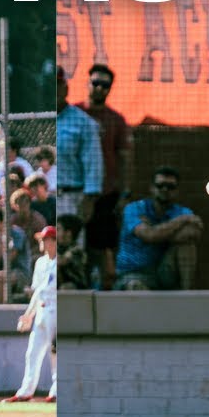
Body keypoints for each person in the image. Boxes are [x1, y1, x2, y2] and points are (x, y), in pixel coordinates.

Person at [79, 64, 133, 289]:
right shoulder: (74, 115)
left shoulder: (115, 120)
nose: (100, 88)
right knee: (78, 252)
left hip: (105, 197)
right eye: (96, 83)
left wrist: (124, 194)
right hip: (77, 195)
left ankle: (104, 303)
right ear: (87, 83)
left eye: (105, 85)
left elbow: (125, 161)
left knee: (104, 254)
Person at [115, 167, 203, 291]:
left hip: (162, 271)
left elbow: (193, 233)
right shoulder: (133, 209)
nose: (165, 189)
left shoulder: (182, 211)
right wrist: (180, 222)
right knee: (135, 286)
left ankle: (187, 297)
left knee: (187, 246)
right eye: (160, 185)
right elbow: (149, 235)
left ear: (177, 191)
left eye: (170, 186)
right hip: (133, 273)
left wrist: (156, 233)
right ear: (151, 188)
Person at [3, 226, 58, 404]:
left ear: (54, 241)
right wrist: (28, 315)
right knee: (32, 352)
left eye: (46, 239)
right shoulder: (40, 263)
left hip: (56, 309)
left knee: (55, 353)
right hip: (42, 310)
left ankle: (57, 391)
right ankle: (25, 391)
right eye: (41, 239)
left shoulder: (61, 262)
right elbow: (37, 292)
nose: (42, 242)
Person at [55, 66, 104, 223]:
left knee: (70, 246)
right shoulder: (38, 117)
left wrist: (89, 198)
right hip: (44, 197)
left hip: (70, 196)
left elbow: (94, 163)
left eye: (57, 85)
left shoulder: (83, 122)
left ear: (65, 88)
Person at [55, 214, 91, 290]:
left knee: (66, 287)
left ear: (68, 233)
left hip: (77, 287)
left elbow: (62, 261)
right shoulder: (59, 248)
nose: (56, 234)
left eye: (58, 230)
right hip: (61, 284)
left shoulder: (77, 250)